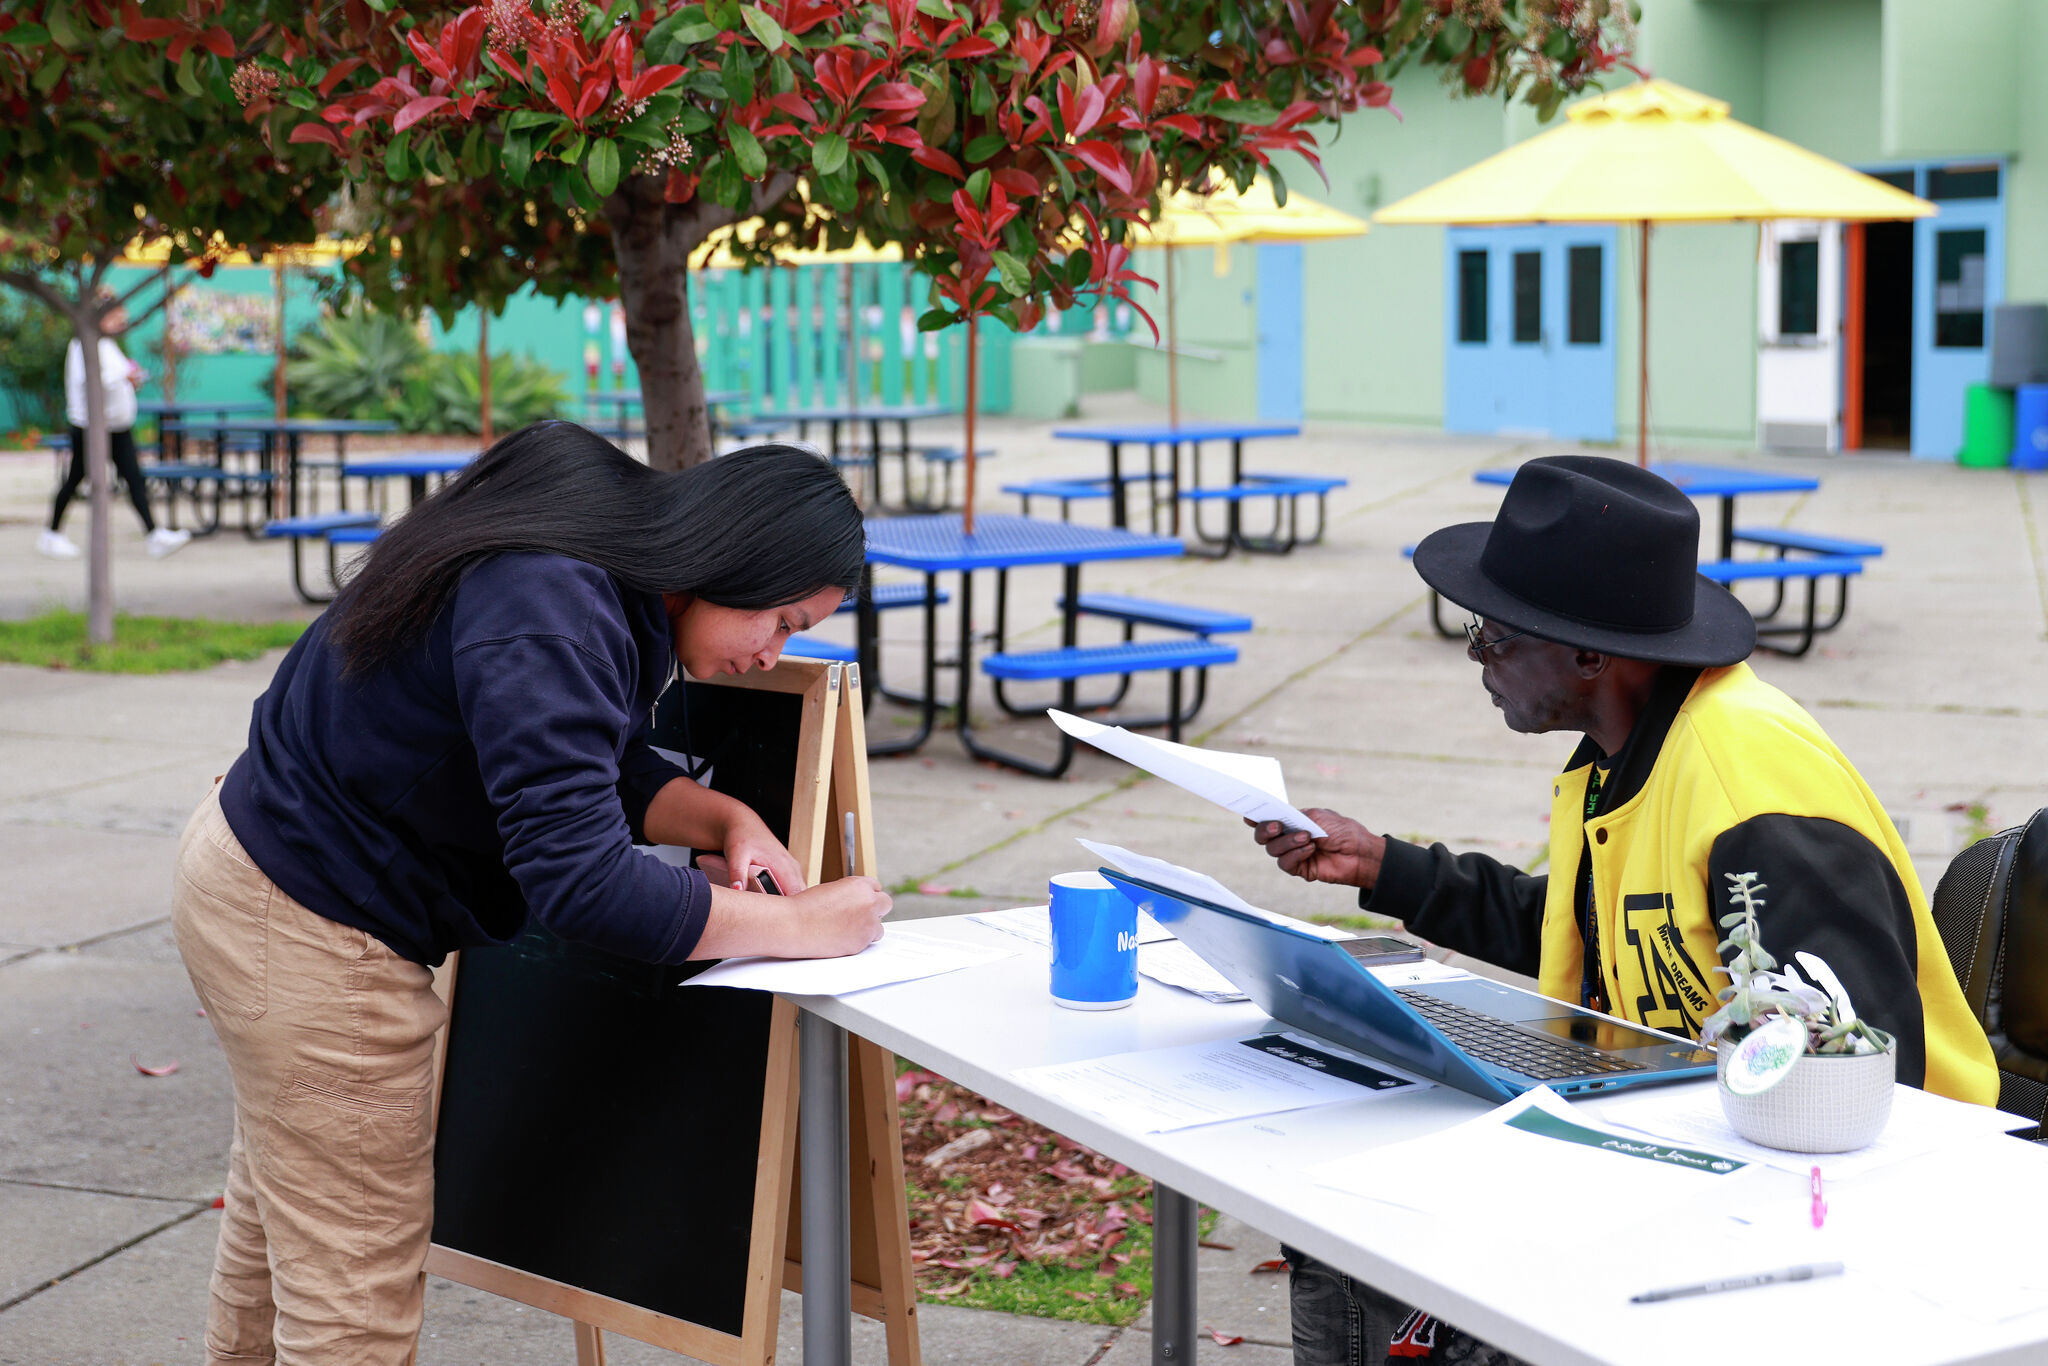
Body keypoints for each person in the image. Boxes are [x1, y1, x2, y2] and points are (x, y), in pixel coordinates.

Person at [1249, 455, 1998, 1366]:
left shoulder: (1752, 791)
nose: (1478, 661)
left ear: (1590, 655)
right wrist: (1385, 866)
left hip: (1851, 1198)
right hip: (1671, 1132)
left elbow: (1859, 1069)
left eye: (1494, 639)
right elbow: (1596, 932)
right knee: (1343, 1220)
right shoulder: (1622, 753)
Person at [171, 425, 892, 1365]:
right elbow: (584, 884)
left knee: (286, 1223)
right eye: (784, 621)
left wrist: (721, 817)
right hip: (313, 924)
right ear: (733, 560)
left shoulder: (582, 533)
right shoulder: (554, 601)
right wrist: (799, 926)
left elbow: (573, 747)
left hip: (257, 864)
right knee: (355, 1295)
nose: (773, 655)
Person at [42, 304, 190, 559]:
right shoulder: (82, 345)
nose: (121, 323)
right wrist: (124, 378)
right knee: (76, 478)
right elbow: (92, 381)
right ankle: (51, 534)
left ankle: (154, 534)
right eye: (116, 318)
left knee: (134, 478)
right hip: (92, 427)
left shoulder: (107, 345)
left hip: (116, 426)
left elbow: (118, 375)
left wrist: (131, 378)